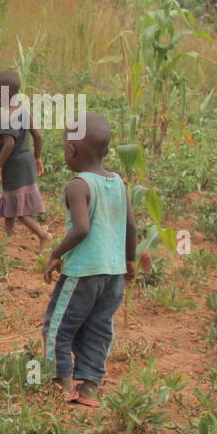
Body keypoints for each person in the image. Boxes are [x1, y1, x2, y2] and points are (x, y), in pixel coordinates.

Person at [42, 112, 137, 407]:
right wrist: (130, 261)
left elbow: (82, 228)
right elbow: (131, 226)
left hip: (83, 273)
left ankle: (61, 381)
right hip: (113, 274)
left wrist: (55, 254)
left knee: (58, 327)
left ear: (71, 150)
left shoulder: (78, 186)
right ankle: (89, 388)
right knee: (98, 328)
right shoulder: (119, 184)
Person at [0, 70, 49, 243]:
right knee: (11, 199)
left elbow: (9, 144)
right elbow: (37, 136)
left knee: (19, 211)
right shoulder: (22, 111)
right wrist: (38, 158)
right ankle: (7, 238)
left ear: (0, 95)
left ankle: (43, 236)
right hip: (27, 161)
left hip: (13, 165)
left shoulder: (5, 116)